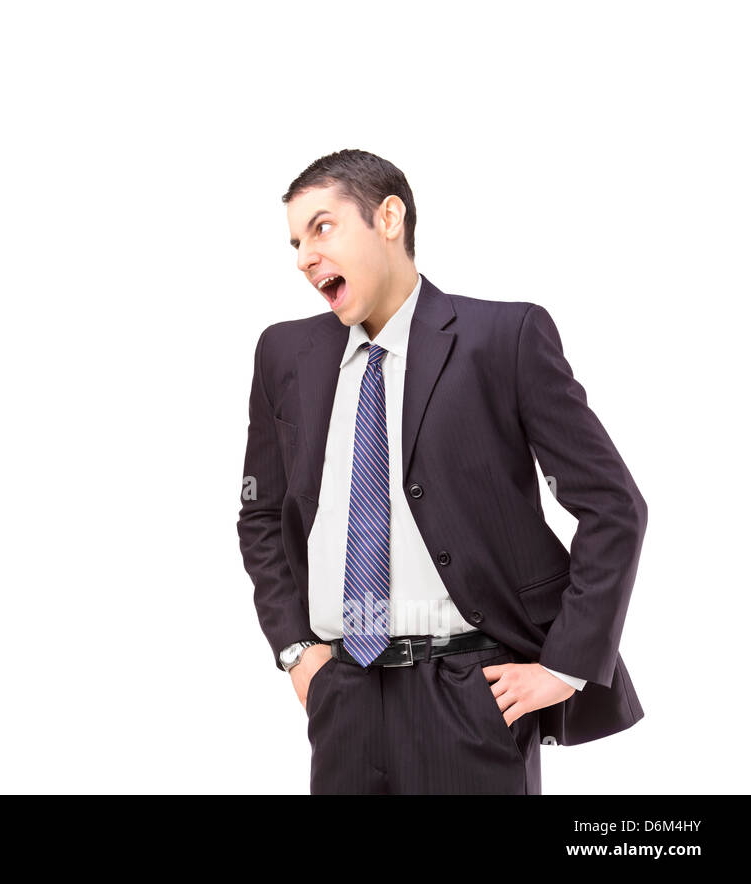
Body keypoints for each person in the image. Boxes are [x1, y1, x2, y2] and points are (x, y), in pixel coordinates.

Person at [236, 149, 646, 794]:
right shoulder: (284, 353)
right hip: (342, 696)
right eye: (295, 242)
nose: (304, 258)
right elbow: (261, 514)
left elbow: (614, 508)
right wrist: (295, 650)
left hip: (470, 696)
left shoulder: (504, 337)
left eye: (322, 228)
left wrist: (564, 666)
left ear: (388, 218)